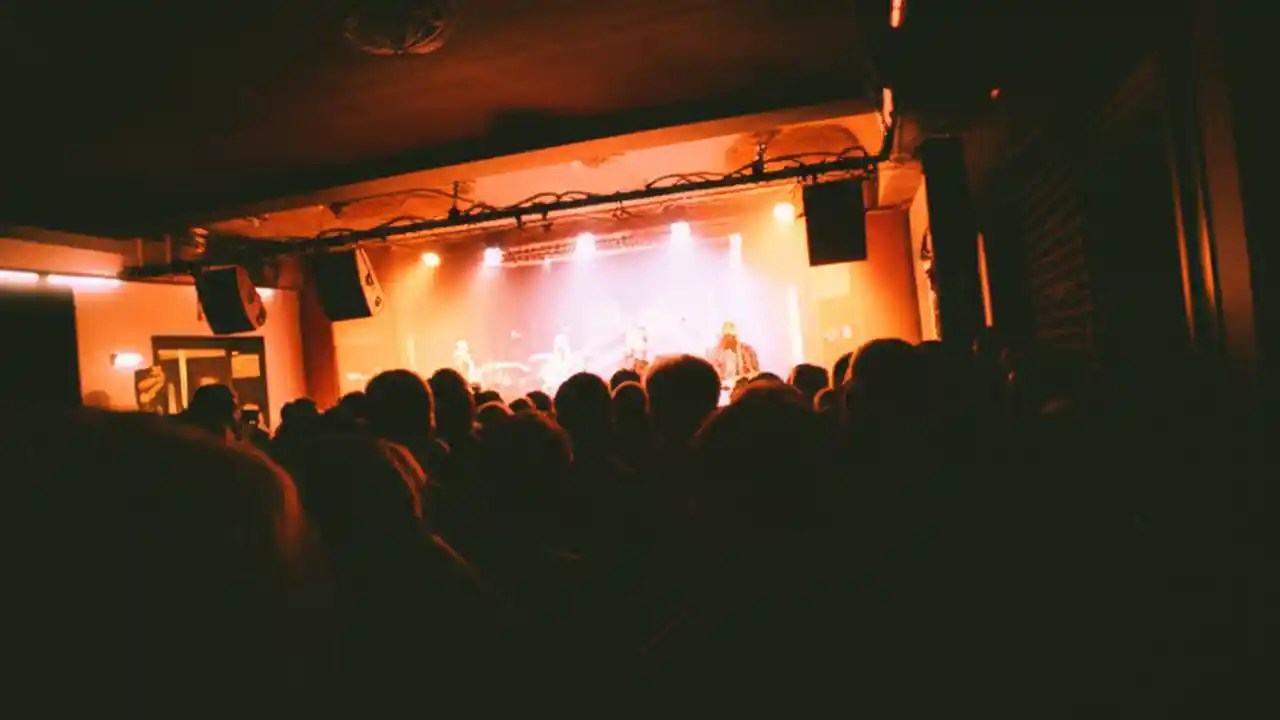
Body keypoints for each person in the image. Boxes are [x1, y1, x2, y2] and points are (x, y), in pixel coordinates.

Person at [706, 321, 759, 388]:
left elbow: (754, 372)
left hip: (742, 387)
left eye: (731, 336)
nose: (729, 339)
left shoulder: (746, 351)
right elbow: (712, 375)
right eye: (726, 336)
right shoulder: (714, 353)